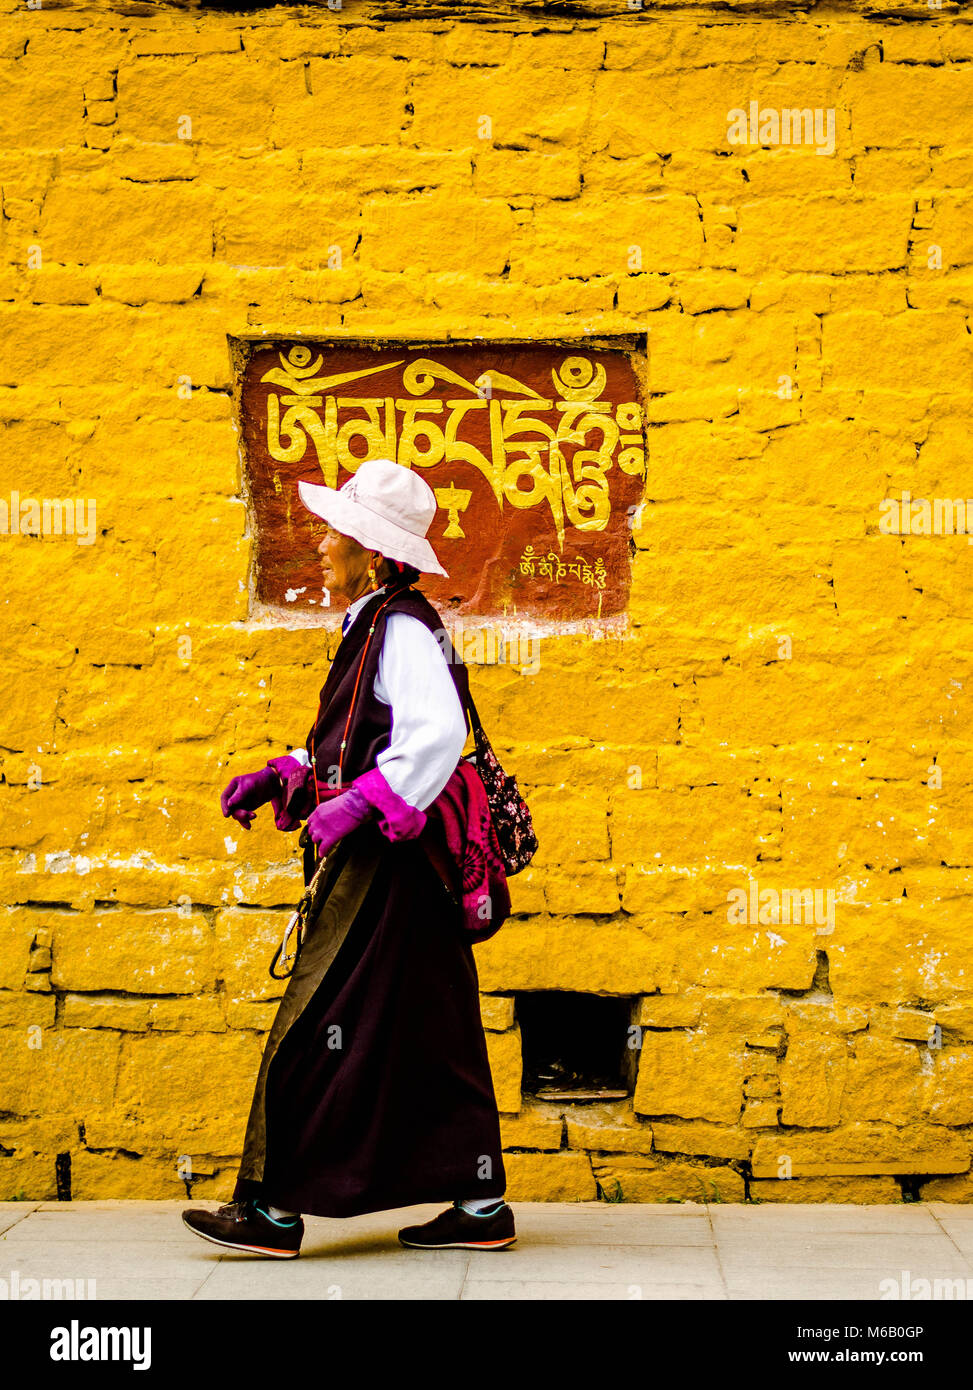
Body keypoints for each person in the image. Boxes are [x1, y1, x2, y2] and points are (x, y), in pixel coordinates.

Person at [181, 457, 515, 1256]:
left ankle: (273, 1208)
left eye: (335, 532)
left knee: (314, 1018)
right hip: (407, 871)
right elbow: (358, 741)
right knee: (429, 1025)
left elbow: (435, 735)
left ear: (370, 550)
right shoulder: (374, 624)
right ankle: (480, 1207)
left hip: (385, 867)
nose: (322, 544)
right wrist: (287, 775)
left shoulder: (397, 626)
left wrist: (367, 802)